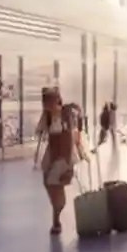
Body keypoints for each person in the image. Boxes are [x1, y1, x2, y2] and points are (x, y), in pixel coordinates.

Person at [34, 88, 87, 235]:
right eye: (45, 101)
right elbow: (41, 132)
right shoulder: (47, 116)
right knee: (49, 184)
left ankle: (56, 218)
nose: (46, 104)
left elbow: (71, 137)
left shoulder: (65, 114)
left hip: (64, 155)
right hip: (52, 154)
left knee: (54, 184)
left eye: (49, 101)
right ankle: (57, 211)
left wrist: (69, 163)